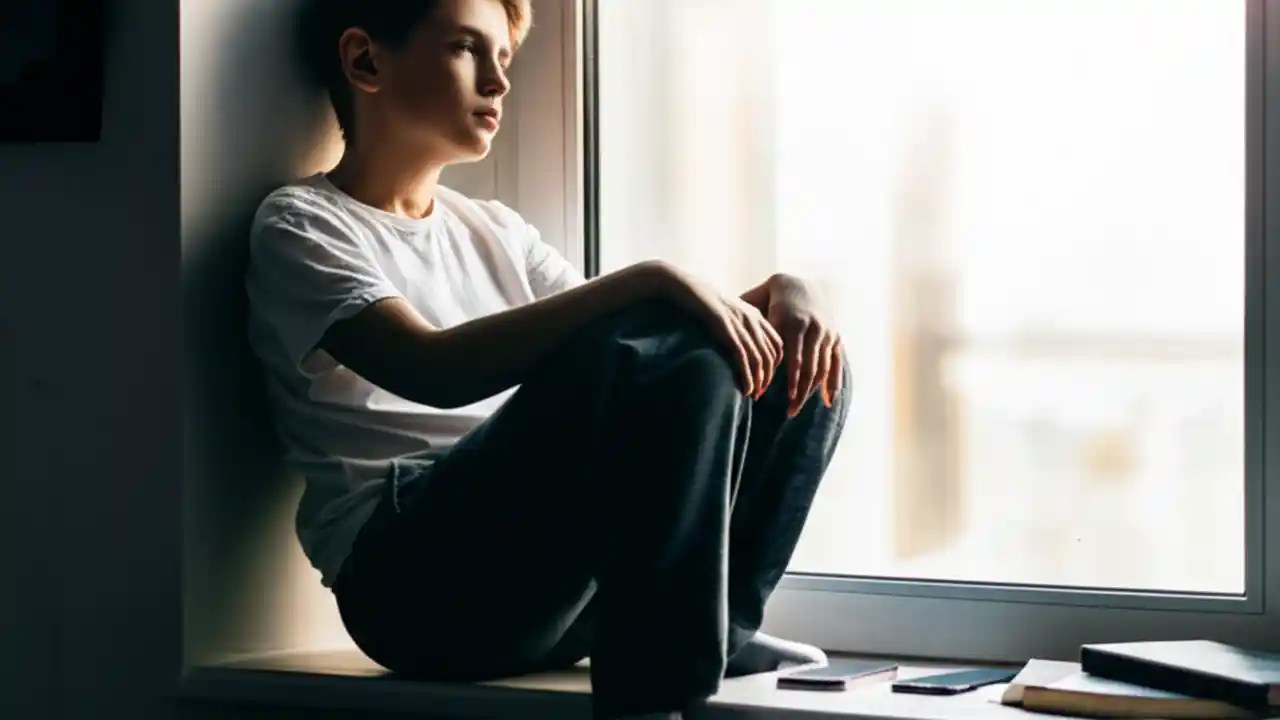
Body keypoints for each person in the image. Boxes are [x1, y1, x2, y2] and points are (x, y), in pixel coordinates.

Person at [245, 1, 852, 717]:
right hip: (411, 585)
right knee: (660, 351)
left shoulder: (495, 230)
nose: (499, 83)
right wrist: (649, 278)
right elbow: (433, 371)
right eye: (467, 49)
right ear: (365, 62)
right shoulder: (301, 223)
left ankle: (714, 623)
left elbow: (657, 346)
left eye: (503, 59)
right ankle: (655, 692)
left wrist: (787, 295)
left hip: (547, 595)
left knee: (799, 366)